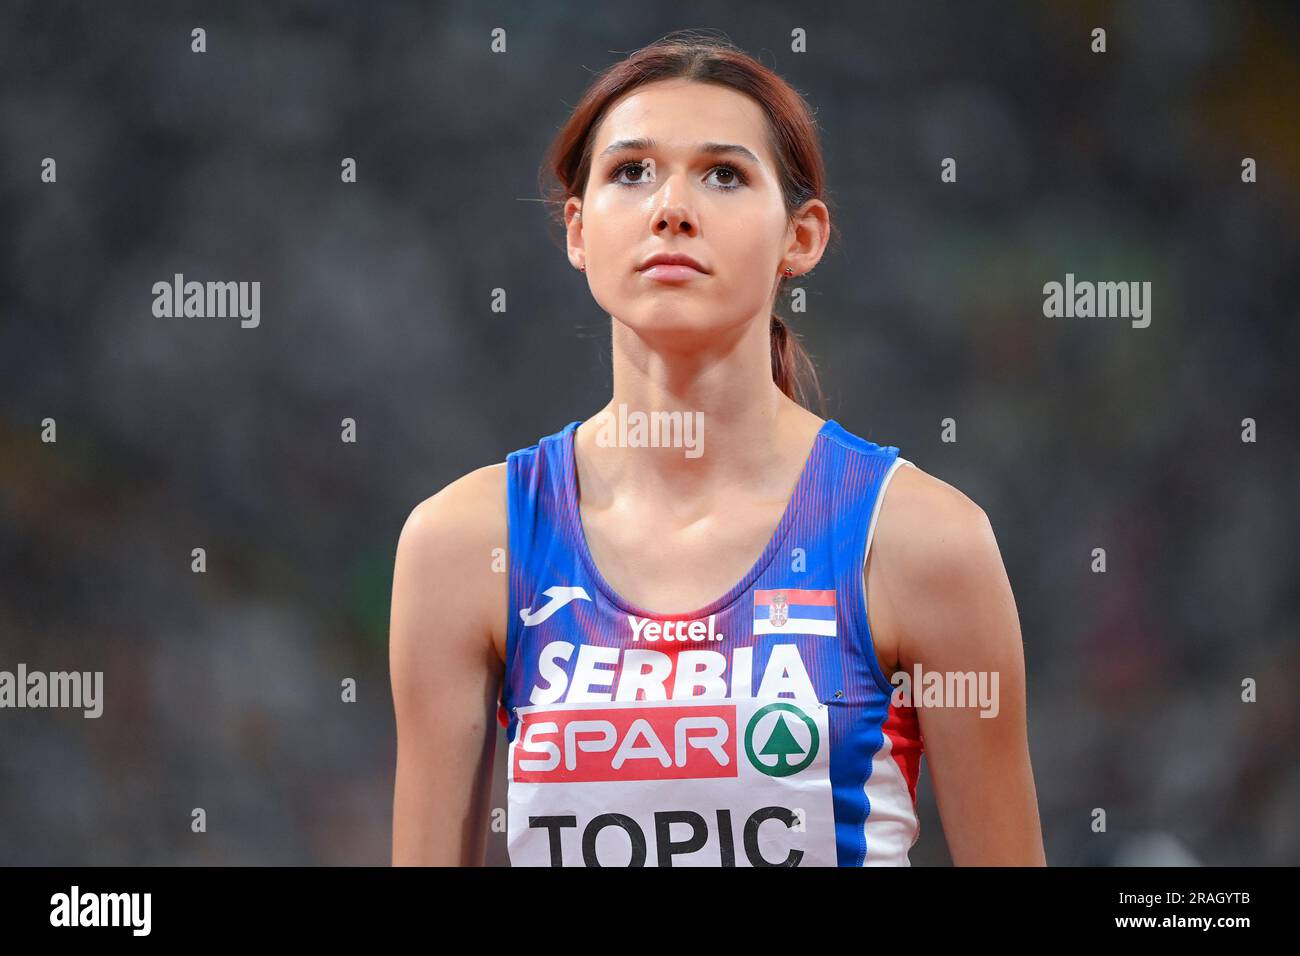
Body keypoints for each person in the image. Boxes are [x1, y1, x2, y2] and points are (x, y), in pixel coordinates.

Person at [390, 31, 1044, 866]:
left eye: (724, 174)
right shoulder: (465, 544)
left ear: (800, 238)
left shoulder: (921, 542)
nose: (670, 207)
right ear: (578, 231)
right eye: (631, 171)